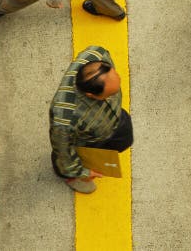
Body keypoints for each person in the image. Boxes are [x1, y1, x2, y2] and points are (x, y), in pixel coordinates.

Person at [49, 45, 133, 194]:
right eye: (110, 94)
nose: (115, 94)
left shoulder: (97, 54)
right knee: (63, 159)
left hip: (113, 118)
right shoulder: (64, 121)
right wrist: (83, 172)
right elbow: (64, 154)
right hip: (87, 139)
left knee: (125, 141)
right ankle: (69, 177)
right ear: (91, 96)